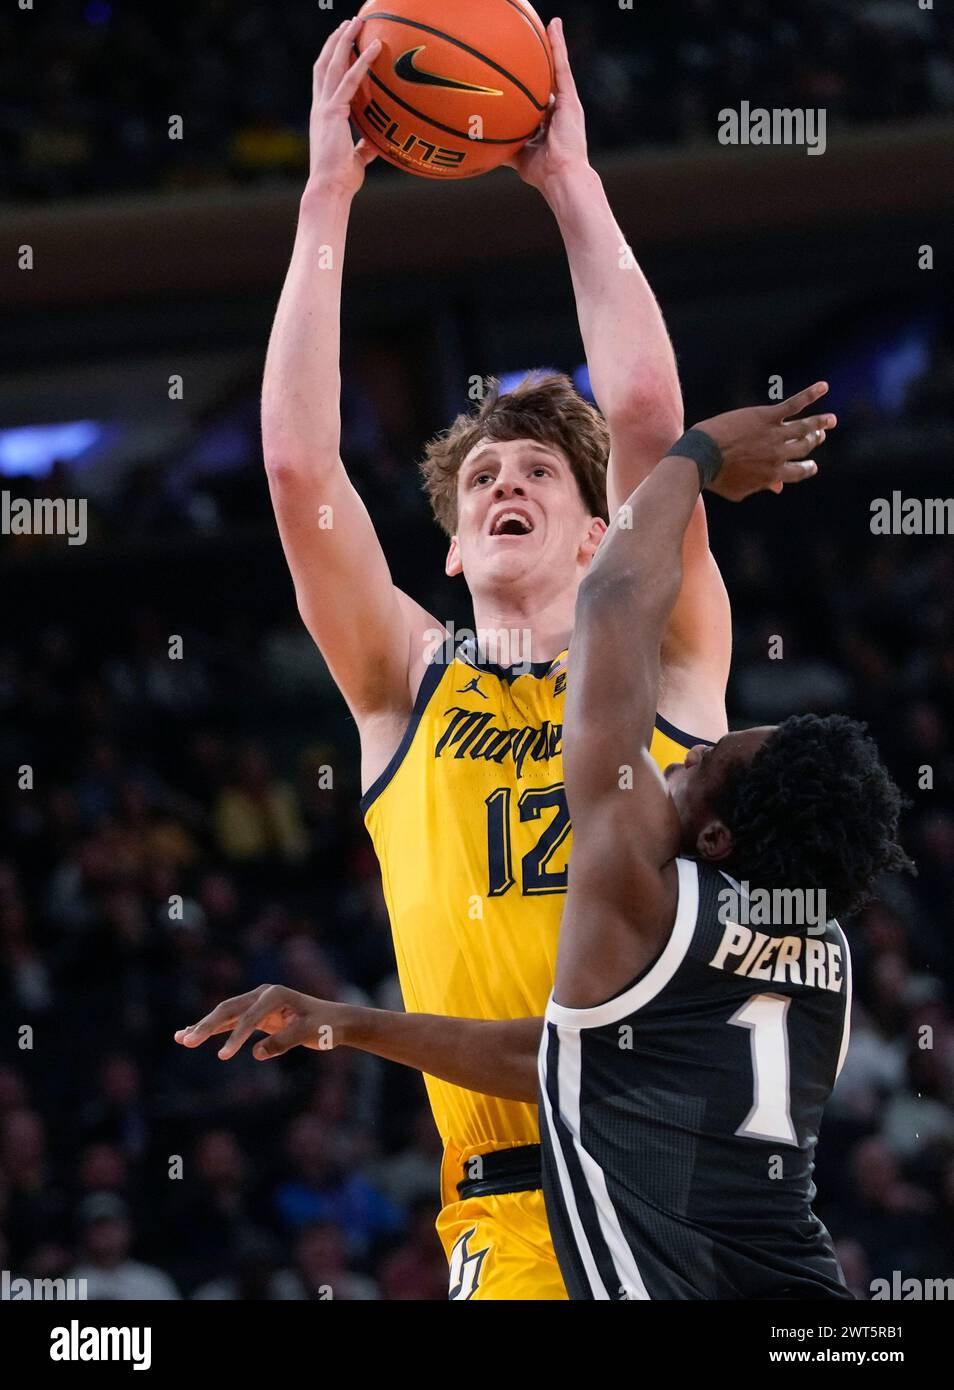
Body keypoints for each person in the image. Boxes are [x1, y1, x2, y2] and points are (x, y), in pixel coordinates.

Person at [178, 390, 892, 1303]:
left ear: (719, 833)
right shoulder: (818, 953)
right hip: (757, 1256)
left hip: (589, 1208)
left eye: (711, 756)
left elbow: (548, 1058)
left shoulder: (648, 904)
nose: (698, 747)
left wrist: (701, 450)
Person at [256, 12, 730, 1299]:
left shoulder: (666, 656)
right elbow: (301, 468)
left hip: (685, 1185)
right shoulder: (404, 680)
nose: (503, 484)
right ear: (454, 553)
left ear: (598, 540)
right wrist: (325, 202)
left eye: (536, 474)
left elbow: (643, 414)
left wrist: (570, 184)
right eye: (478, 481)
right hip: (512, 1213)